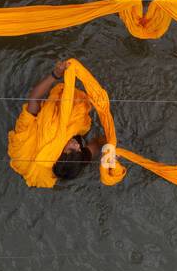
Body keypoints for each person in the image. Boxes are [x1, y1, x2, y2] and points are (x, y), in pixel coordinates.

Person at [7, 59, 106, 187]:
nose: (77, 145)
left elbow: (34, 98)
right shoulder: (77, 159)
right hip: (39, 171)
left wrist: (55, 74)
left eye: (72, 148)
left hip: (25, 158)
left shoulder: (28, 138)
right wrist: (110, 147)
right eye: (79, 149)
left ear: (61, 155)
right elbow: (98, 144)